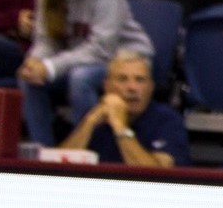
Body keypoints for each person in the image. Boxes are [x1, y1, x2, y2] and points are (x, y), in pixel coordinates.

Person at [18, 0, 152, 144]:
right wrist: (35, 61)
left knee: (81, 78)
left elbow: (102, 48)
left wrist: (51, 67)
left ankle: (87, 148)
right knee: (29, 79)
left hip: (125, 59)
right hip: (79, 59)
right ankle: (42, 149)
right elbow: (46, 40)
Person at [57, 47, 186, 166]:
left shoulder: (168, 120)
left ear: (151, 88)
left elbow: (156, 177)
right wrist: (90, 122)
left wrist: (120, 126)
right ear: (107, 86)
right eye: (122, 79)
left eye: (140, 80)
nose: (132, 88)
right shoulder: (95, 116)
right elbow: (59, 169)